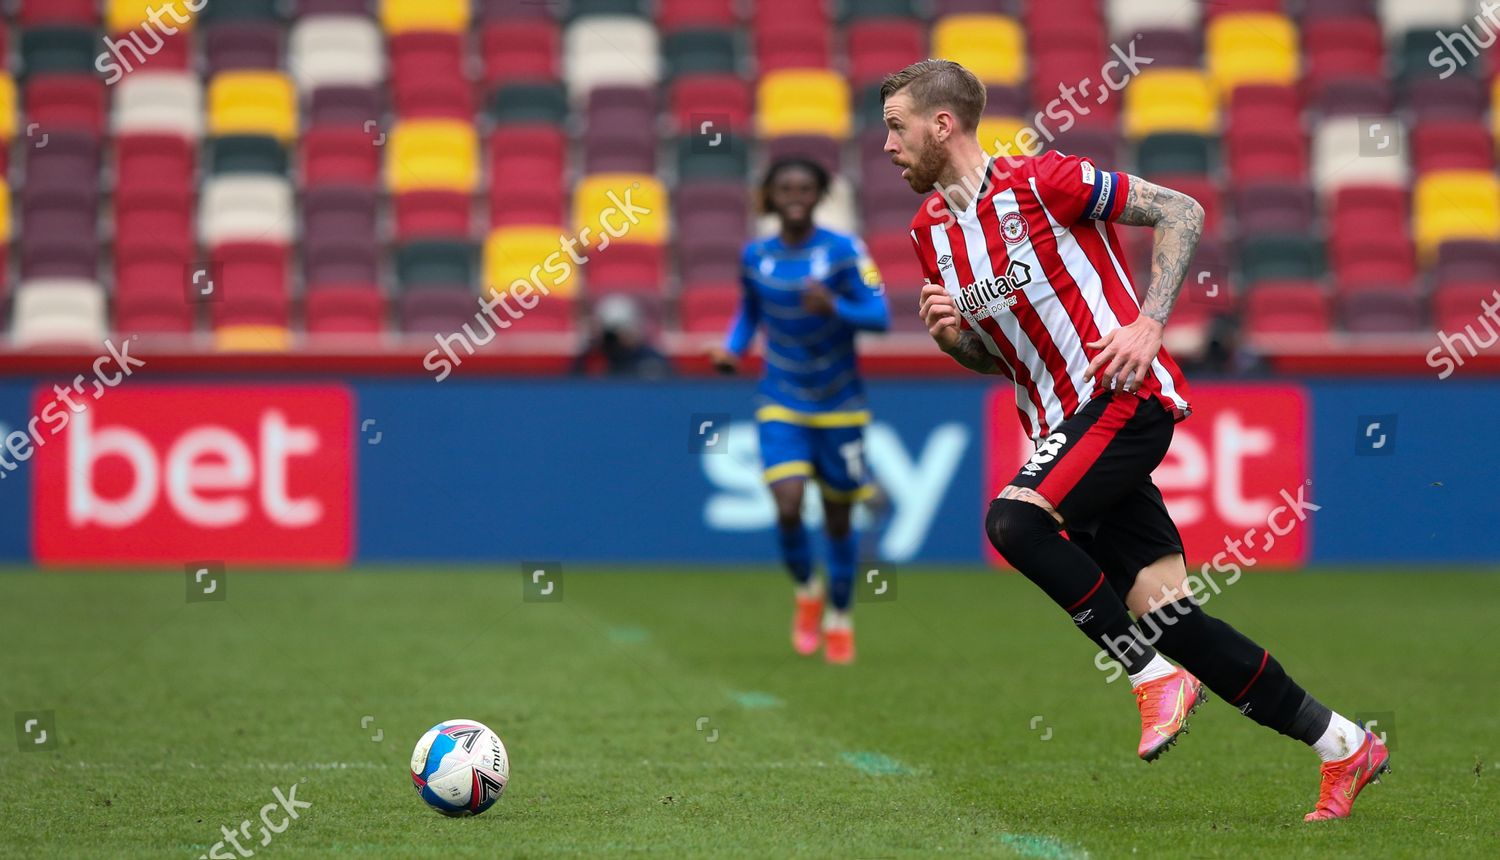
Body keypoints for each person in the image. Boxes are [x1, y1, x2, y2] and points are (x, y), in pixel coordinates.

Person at [881, 59, 1387, 820]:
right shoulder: (930, 235)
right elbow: (998, 356)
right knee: (1174, 616)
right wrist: (956, 339)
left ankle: (1149, 676)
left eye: (896, 126)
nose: (886, 145)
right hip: (1062, 424)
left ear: (941, 124)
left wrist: (1151, 322)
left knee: (1014, 521)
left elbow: (1180, 210)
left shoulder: (1044, 180)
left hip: (1122, 396)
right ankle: (1344, 744)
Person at [710, 157, 890, 664]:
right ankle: (806, 589)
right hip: (781, 399)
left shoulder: (844, 251)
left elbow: (879, 316)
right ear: (770, 195)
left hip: (840, 405)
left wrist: (835, 307)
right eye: (785, 187)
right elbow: (749, 313)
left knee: (838, 520)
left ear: (818, 195)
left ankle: (839, 614)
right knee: (787, 504)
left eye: (805, 188)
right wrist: (732, 348)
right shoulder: (755, 256)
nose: (795, 195)